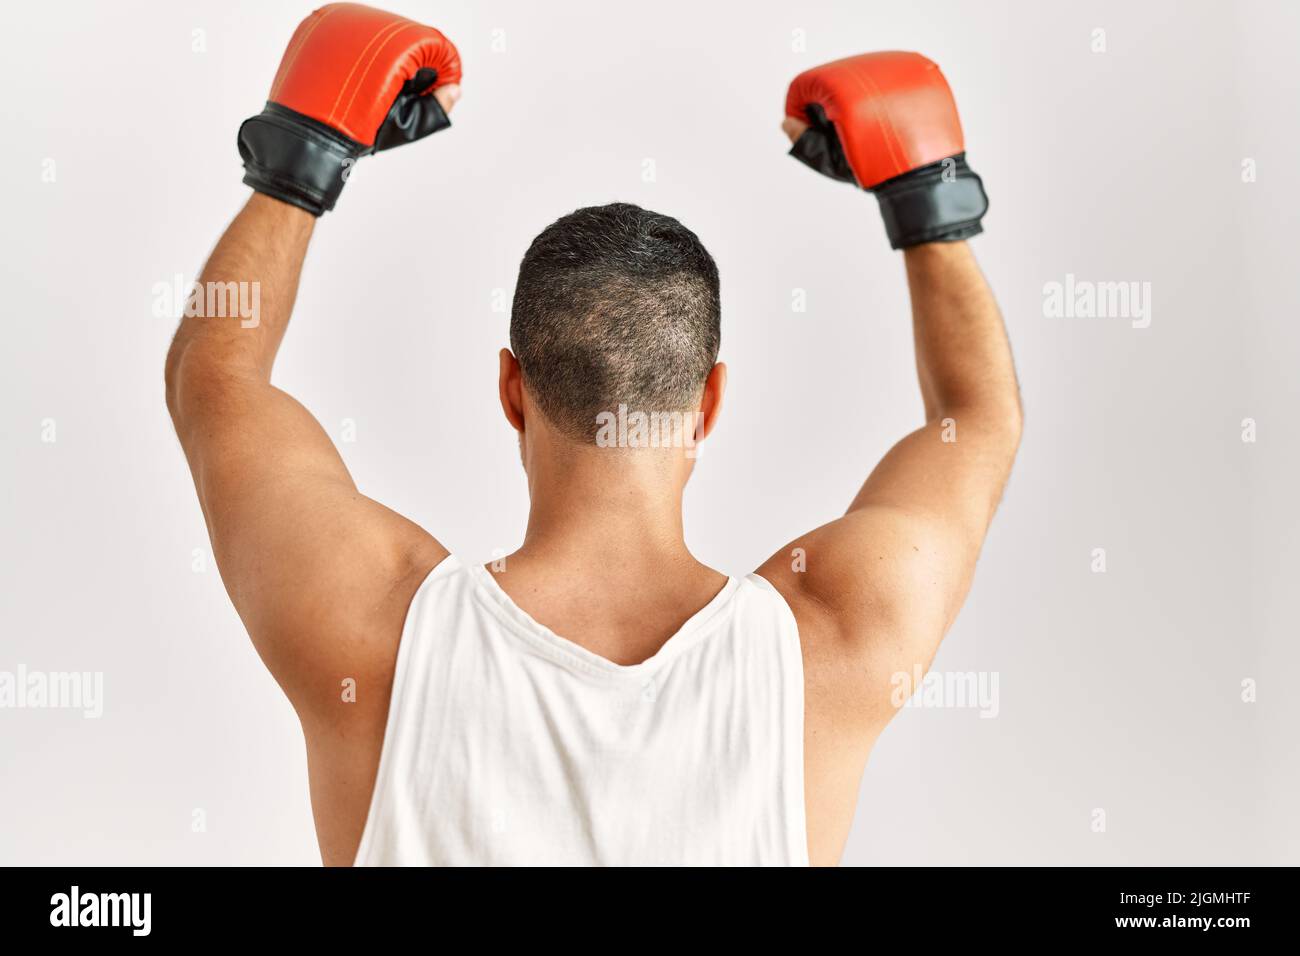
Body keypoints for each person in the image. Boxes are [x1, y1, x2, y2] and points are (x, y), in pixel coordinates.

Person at [165, 4, 1021, 866]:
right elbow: (978, 419)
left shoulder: (376, 623)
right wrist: (927, 204)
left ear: (511, 390)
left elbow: (215, 382)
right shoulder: (836, 632)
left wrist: (300, 158)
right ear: (708, 404)